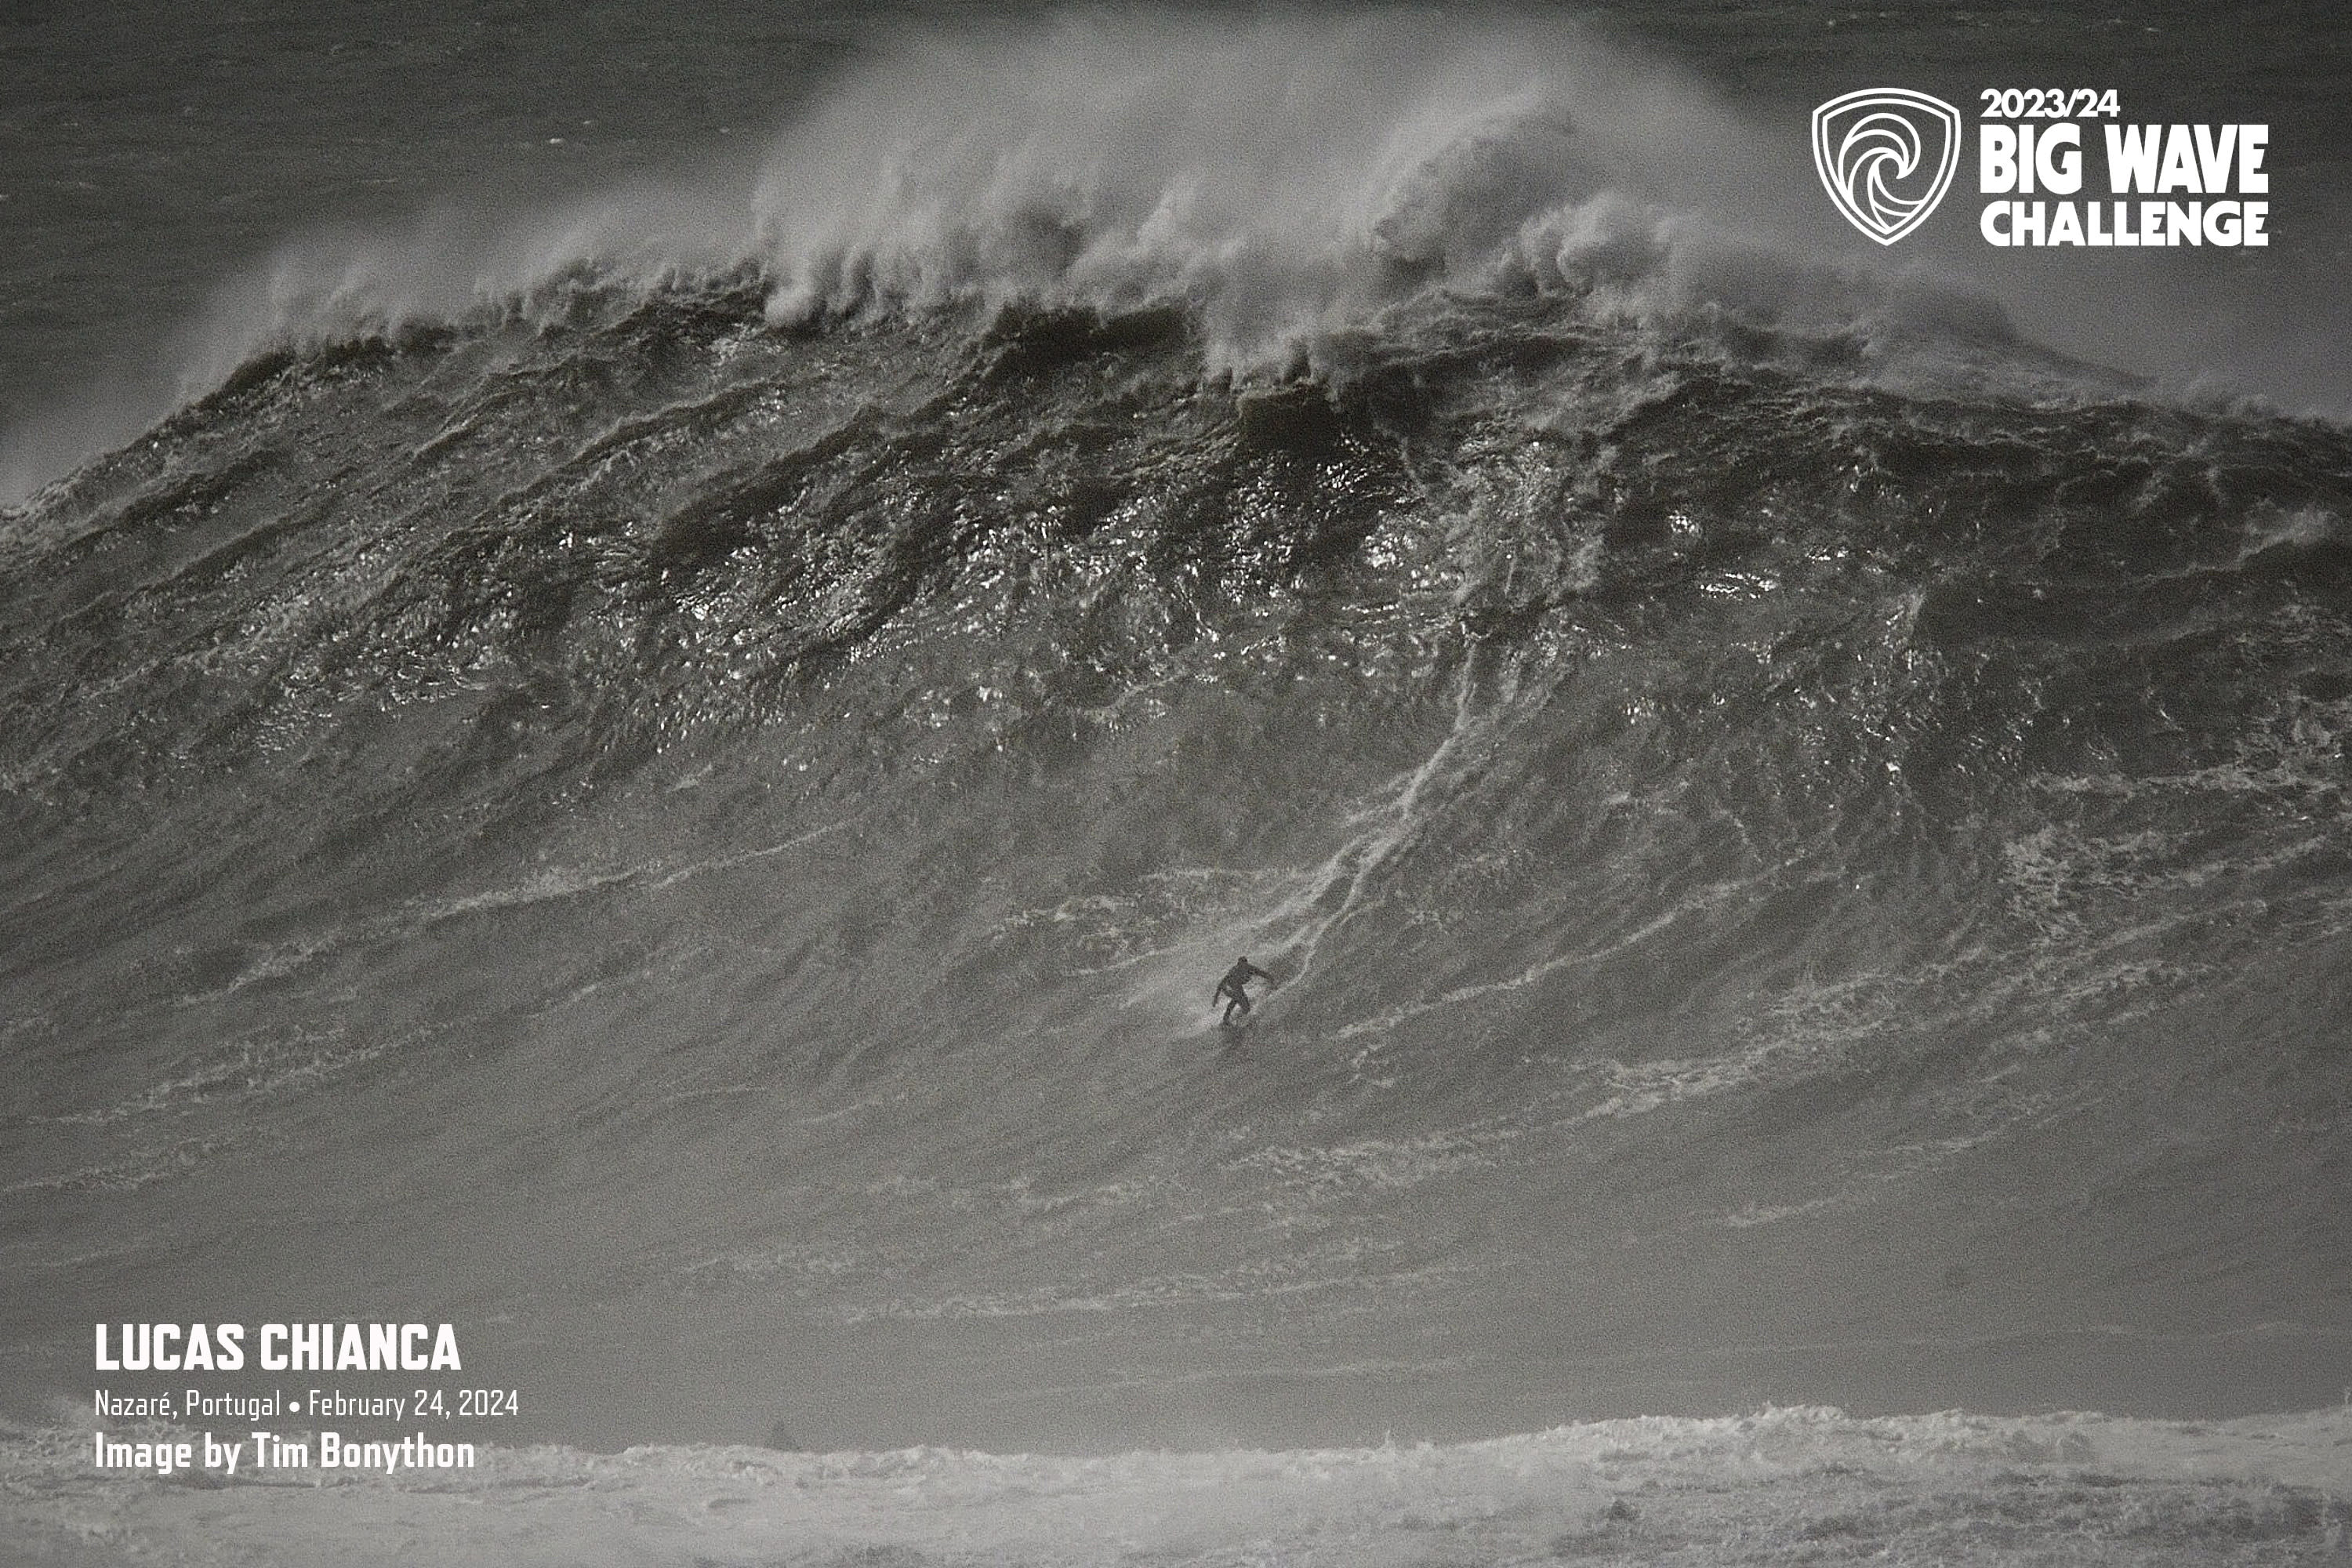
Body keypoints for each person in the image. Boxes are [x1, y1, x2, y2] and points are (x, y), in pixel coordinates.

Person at [1213, 956, 1273, 1027]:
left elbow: (1261, 973)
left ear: (1246, 964)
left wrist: (1271, 979)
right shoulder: (1234, 971)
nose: (1240, 967)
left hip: (1236, 986)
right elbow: (1221, 984)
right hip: (1228, 987)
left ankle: (1227, 1019)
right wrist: (1216, 998)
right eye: (1239, 965)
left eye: (1242, 965)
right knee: (1239, 999)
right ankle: (1230, 1020)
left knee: (1239, 1000)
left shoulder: (1250, 968)